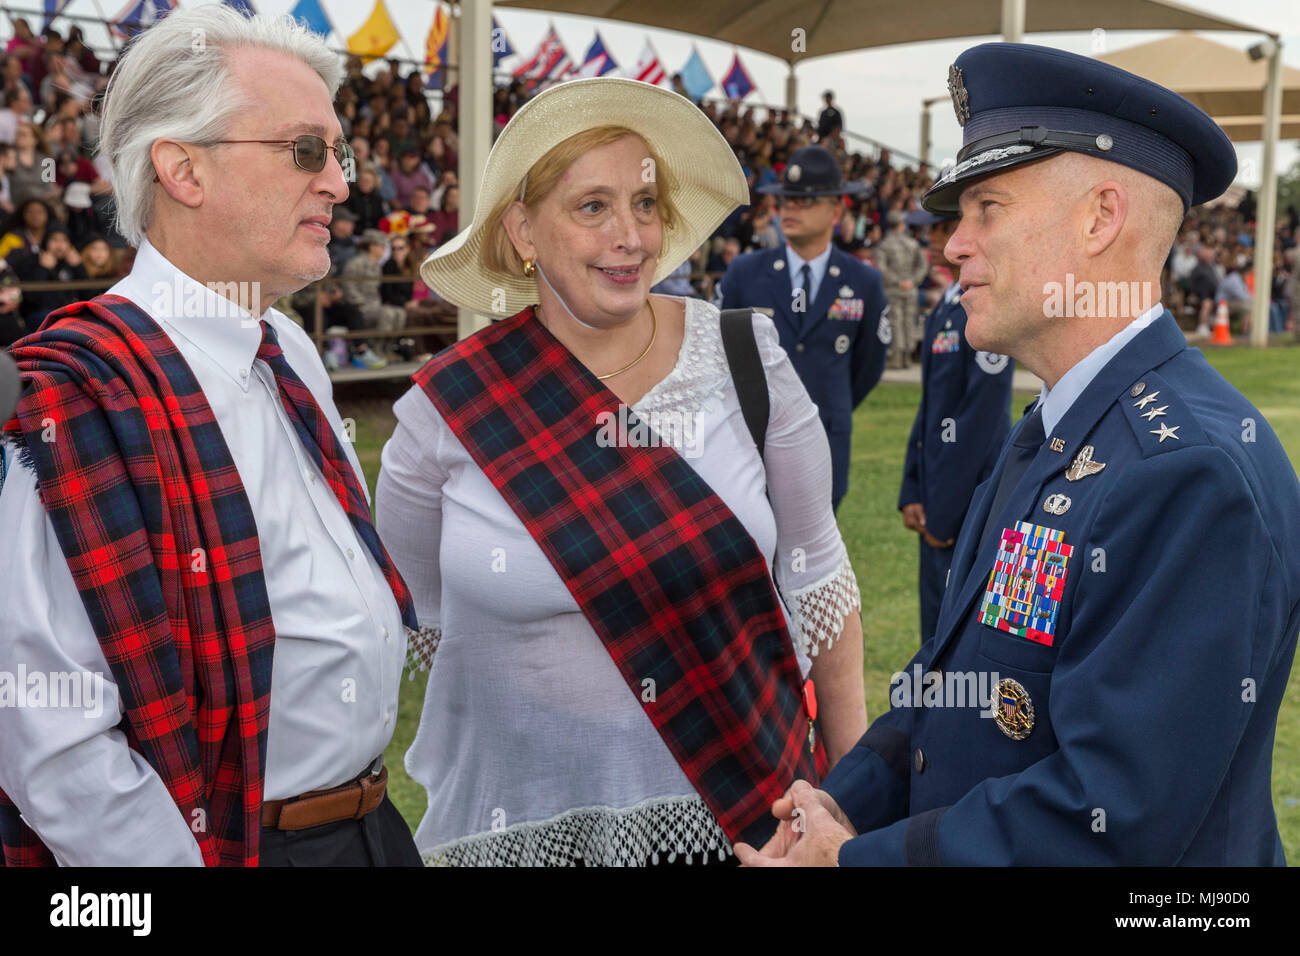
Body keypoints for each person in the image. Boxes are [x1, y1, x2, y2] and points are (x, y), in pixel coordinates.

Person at [737, 42, 1300, 867]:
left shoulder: (1185, 472)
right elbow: (956, 680)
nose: (953, 245)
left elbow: (1110, 820)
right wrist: (837, 798)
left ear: (1100, 218)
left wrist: (852, 861)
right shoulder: (1058, 430)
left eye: (987, 208)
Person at [376, 76, 867, 866]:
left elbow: (821, 588)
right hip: (517, 839)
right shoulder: (446, 410)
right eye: (592, 206)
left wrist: (852, 803)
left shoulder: (746, 357)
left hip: (748, 826)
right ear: (522, 231)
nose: (629, 236)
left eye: (644, 205)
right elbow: (408, 627)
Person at [0, 6, 421, 867]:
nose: (340, 182)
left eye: (339, 153)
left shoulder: (289, 346)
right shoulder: (73, 392)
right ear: (183, 169)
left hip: (371, 830)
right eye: (307, 150)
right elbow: (52, 738)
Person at [716, 144, 890, 511]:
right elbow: (721, 358)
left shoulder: (864, 281)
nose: (790, 210)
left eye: (805, 201)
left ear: (835, 210)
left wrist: (827, 406)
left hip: (825, 440)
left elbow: (867, 366)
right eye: (786, 201)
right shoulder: (745, 273)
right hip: (753, 446)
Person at [898, 209, 1013, 643]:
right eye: (929, 228)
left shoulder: (990, 305)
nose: (933, 237)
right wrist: (913, 487)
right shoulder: (945, 306)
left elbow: (979, 420)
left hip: (969, 499)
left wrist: (944, 511)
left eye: (942, 226)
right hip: (937, 496)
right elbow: (931, 406)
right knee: (934, 625)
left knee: (963, 635)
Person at [875, 209, 929, 368]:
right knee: (908, 321)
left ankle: (897, 357)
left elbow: (881, 269)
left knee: (896, 321)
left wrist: (898, 282)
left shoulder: (884, 245)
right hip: (910, 288)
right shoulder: (913, 244)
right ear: (902, 224)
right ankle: (907, 357)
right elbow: (923, 265)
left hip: (893, 288)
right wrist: (912, 281)